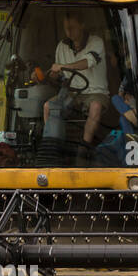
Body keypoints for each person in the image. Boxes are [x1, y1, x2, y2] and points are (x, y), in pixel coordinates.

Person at [42, 10, 113, 163]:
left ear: (82, 25)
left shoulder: (96, 42)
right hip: (72, 93)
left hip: (96, 91)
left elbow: (88, 62)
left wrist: (63, 66)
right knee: (48, 106)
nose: (69, 31)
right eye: (66, 28)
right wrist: (52, 74)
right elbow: (60, 74)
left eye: (72, 27)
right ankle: (51, 147)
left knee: (95, 106)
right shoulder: (62, 46)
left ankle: (83, 149)